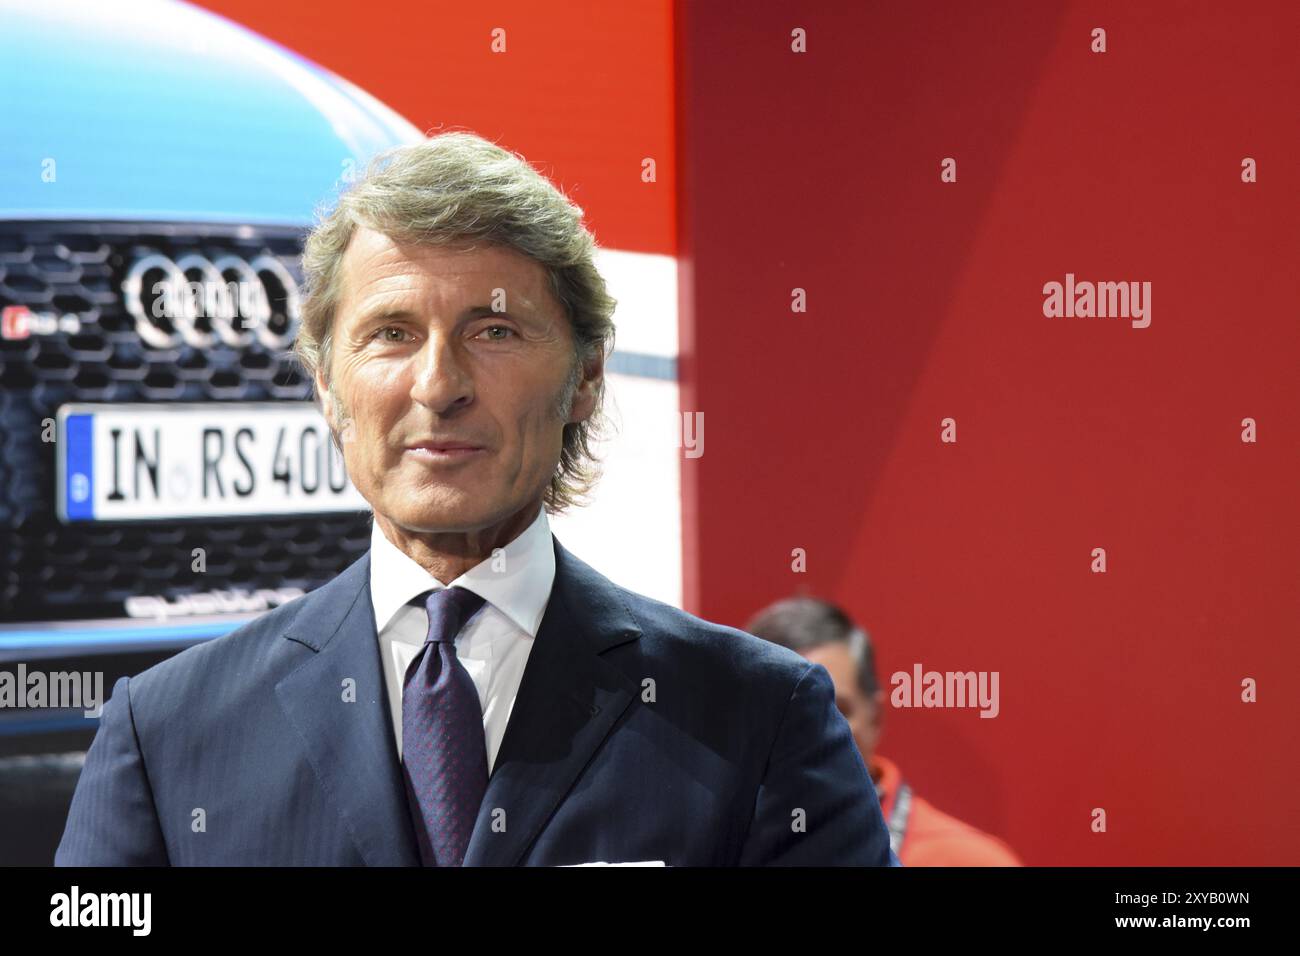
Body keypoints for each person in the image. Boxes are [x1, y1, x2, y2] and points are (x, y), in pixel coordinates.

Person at [56, 131, 894, 866]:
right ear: (326, 387)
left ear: (586, 377)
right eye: (391, 334)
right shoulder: (166, 733)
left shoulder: (760, 719)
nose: (438, 385)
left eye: (493, 331)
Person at [745, 597, 1022, 866]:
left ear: (875, 718)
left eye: (830, 711)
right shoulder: (722, 848)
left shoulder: (969, 861)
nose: (800, 738)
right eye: (776, 715)